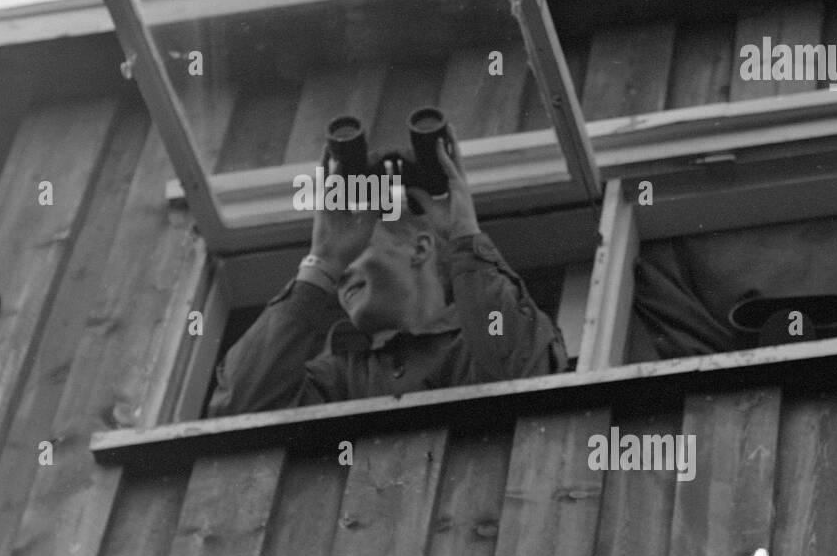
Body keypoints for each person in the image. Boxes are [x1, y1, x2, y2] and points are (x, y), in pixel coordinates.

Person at [208, 129, 568, 416]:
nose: (342, 276)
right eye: (339, 267)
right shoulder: (337, 374)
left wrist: (464, 235)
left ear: (420, 248)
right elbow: (242, 407)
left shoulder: (478, 344)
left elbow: (523, 372)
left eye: (356, 252)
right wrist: (322, 262)